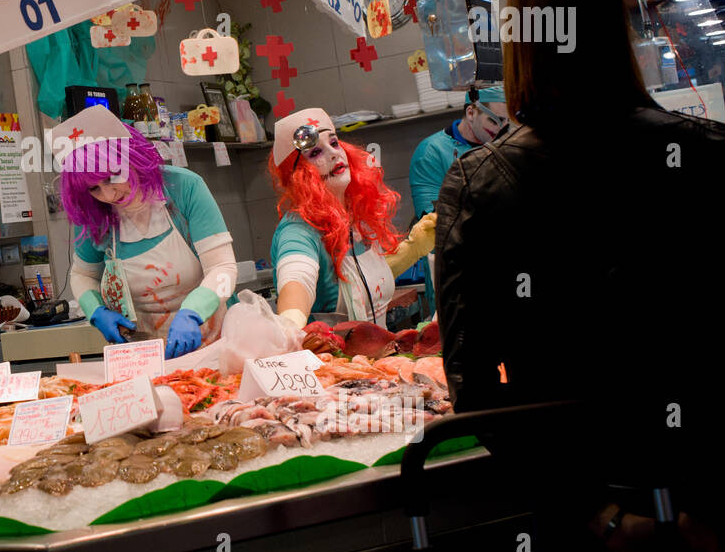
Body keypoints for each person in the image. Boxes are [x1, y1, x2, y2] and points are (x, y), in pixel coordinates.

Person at [435, 0, 725, 552]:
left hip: (589, 533)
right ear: (615, 33)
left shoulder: (478, 180)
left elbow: (477, 392)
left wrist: (606, 520)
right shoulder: (709, 153)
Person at [58, 104, 237, 359]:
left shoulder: (184, 187)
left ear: (130, 158)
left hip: (214, 340)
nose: (107, 195)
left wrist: (193, 313)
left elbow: (223, 269)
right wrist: (95, 311)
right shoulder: (93, 213)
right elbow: (82, 274)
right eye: (93, 188)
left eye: (111, 178)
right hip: (143, 351)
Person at [268, 107, 435, 336]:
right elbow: (297, 279)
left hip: (378, 359)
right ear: (299, 174)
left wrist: (413, 248)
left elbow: (362, 280)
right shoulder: (297, 231)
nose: (334, 154)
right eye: (316, 152)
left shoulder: (354, 216)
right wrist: (289, 323)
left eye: (334, 143)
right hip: (333, 366)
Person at [409, 85, 509, 219]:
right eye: (495, 121)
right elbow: (430, 221)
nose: (500, 130)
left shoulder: (505, 147)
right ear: (471, 113)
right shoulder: (431, 152)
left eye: (507, 123)